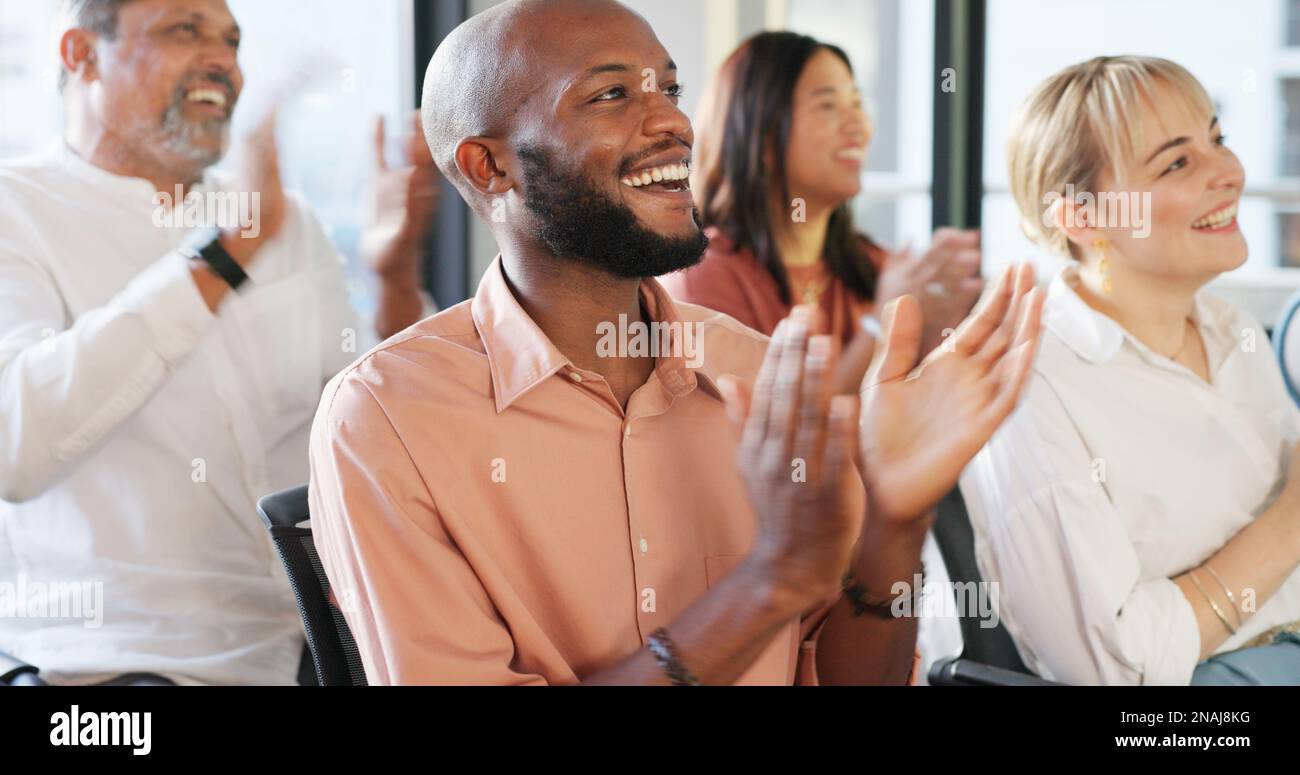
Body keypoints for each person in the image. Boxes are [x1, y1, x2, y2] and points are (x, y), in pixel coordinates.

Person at [308, 0, 1043, 685]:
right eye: (612, 95)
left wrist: (895, 523)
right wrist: (769, 582)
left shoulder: (751, 371)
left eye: (669, 88)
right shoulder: (386, 419)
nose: (674, 124)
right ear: (489, 167)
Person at [0, 0, 437, 685]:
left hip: (319, 652)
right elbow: (14, 445)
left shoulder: (284, 221)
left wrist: (396, 272)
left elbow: (380, 430)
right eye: (184, 30)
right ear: (80, 54)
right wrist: (226, 253)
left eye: (231, 40)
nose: (222, 61)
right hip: (115, 674)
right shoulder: (15, 212)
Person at [960, 55, 1300, 685]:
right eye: (1177, 162)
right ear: (1082, 218)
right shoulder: (1032, 390)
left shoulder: (1235, 330)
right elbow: (1112, 669)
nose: (1228, 171)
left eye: (1217, 139)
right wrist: (1291, 522)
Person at [658, 31, 982, 390]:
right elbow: (774, 439)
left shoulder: (875, 267)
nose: (858, 126)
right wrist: (882, 328)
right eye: (828, 106)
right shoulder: (704, 275)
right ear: (762, 135)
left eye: (857, 103)